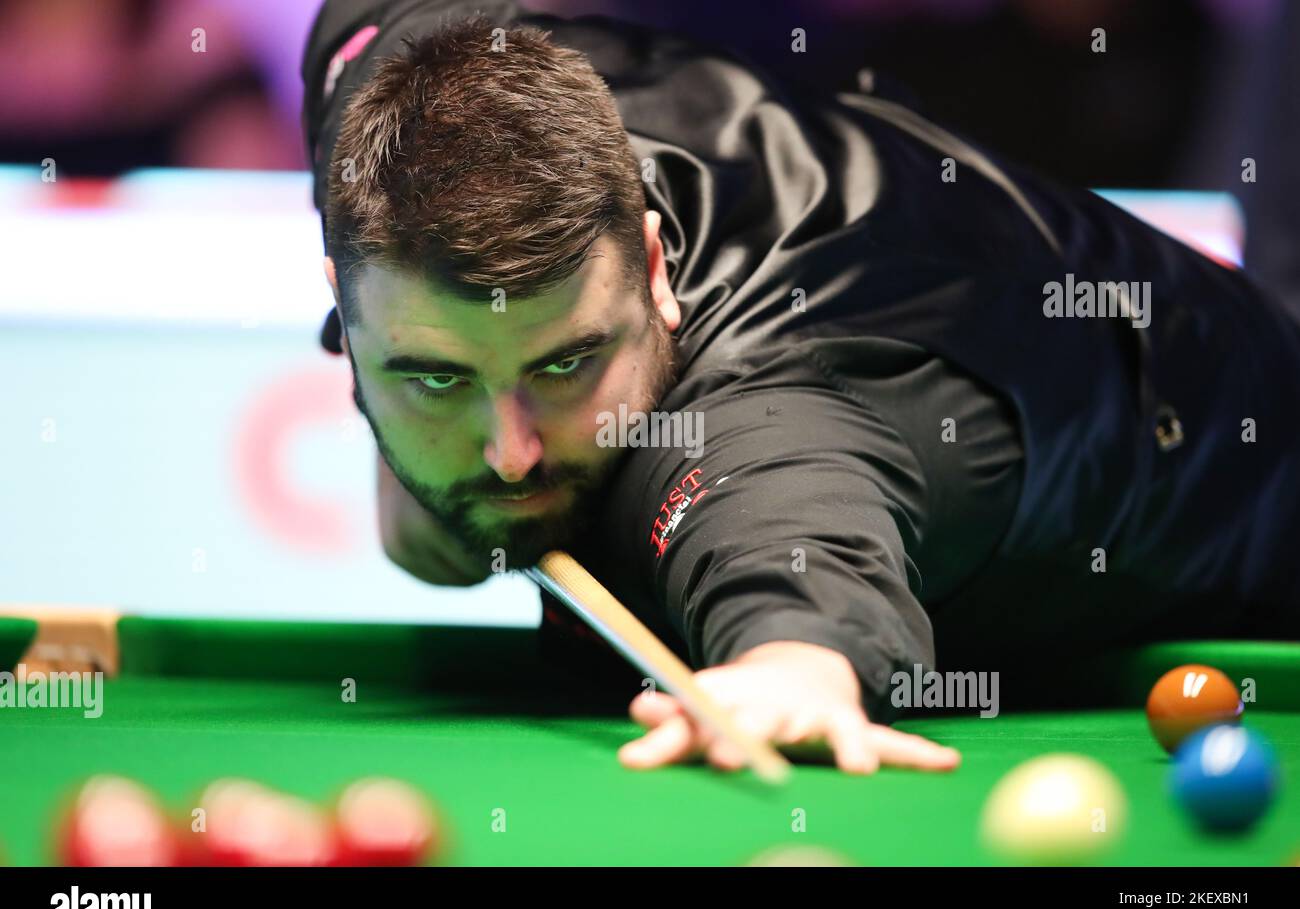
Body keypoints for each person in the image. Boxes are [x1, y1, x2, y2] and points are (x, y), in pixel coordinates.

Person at [300, 0, 1300, 775]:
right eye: (434, 374)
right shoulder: (383, 75)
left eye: (564, 365)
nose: (511, 452)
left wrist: (790, 666)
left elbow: (794, 535)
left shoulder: (771, 397)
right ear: (342, 296)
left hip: (1246, 481)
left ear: (653, 269)